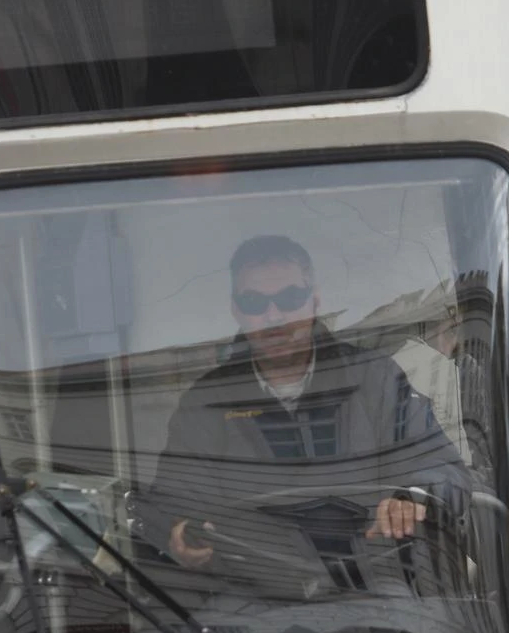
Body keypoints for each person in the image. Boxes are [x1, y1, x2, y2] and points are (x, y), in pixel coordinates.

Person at [139, 234, 471, 582]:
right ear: (236, 309)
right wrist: (179, 533)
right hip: (257, 602)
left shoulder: (376, 378)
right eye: (254, 302)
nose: (273, 316)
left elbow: (445, 471)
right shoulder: (206, 402)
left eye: (289, 298)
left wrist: (412, 496)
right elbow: (171, 503)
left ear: (314, 301)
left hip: (382, 590)